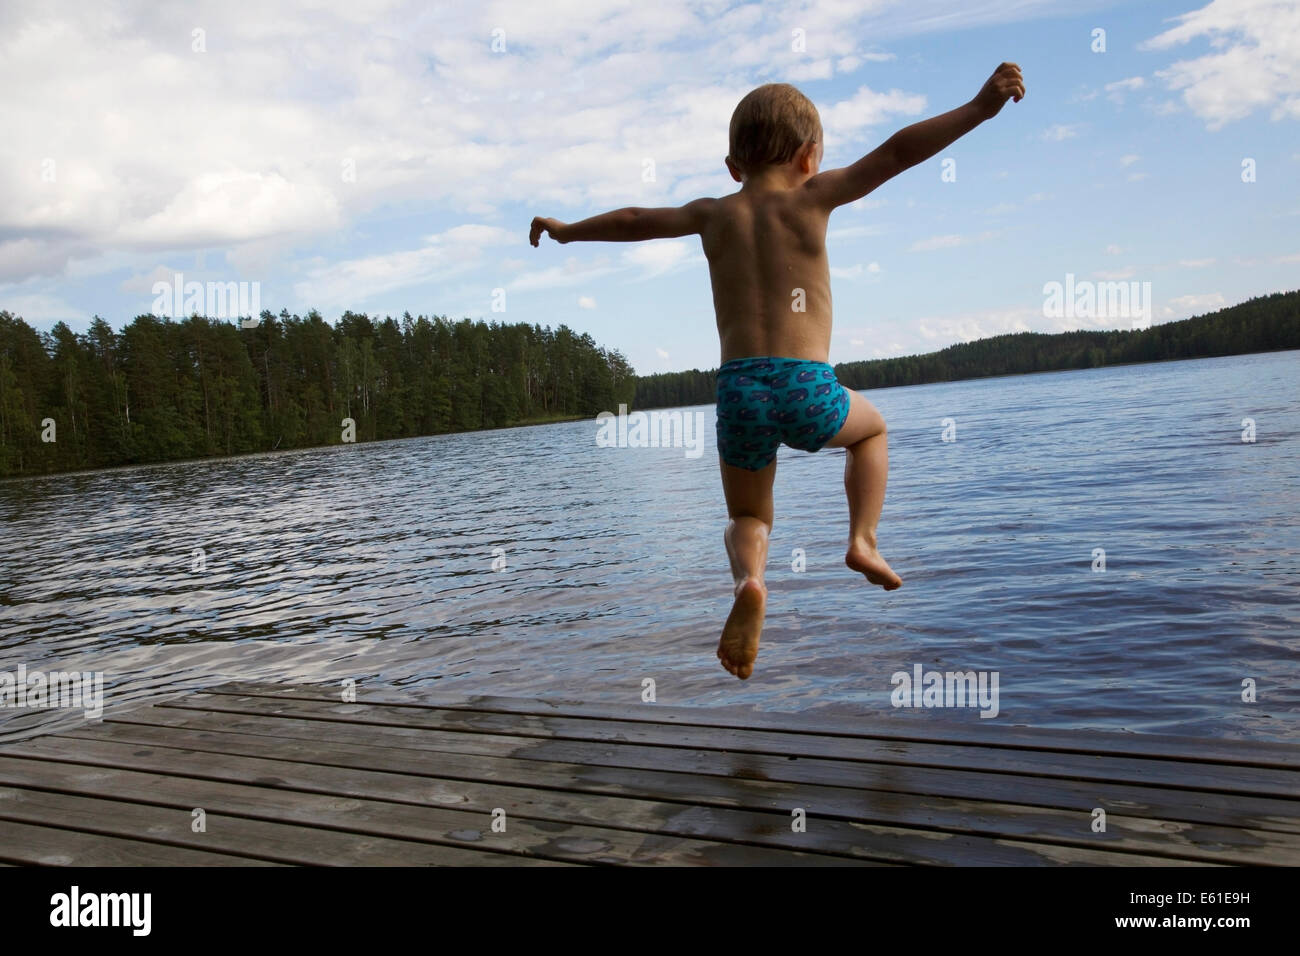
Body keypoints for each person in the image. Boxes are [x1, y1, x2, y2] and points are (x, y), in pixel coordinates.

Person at [531, 63, 1025, 680]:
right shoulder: (815, 198)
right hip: (806, 383)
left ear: (733, 166)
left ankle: (752, 582)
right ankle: (862, 541)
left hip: (739, 390)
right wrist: (979, 107)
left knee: (748, 517)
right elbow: (899, 151)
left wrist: (568, 232)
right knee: (872, 432)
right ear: (810, 157)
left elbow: (634, 221)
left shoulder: (712, 214)